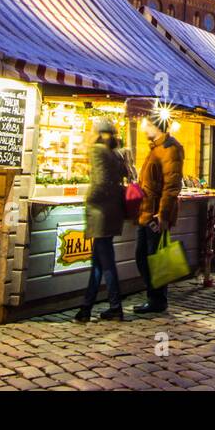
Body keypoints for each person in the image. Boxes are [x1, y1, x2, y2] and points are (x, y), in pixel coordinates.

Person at [75, 118, 129, 322]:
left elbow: (101, 182)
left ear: (99, 132)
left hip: (100, 212)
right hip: (112, 212)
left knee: (106, 264)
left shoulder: (97, 150)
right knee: (99, 263)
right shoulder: (116, 153)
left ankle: (115, 307)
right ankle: (86, 307)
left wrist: (89, 199)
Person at [133, 114, 184, 314]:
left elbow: (171, 186)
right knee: (142, 256)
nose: (143, 128)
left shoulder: (170, 149)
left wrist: (163, 215)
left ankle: (157, 300)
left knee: (155, 258)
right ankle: (154, 296)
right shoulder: (155, 148)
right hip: (145, 211)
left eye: (146, 124)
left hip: (155, 214)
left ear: (156, 126)